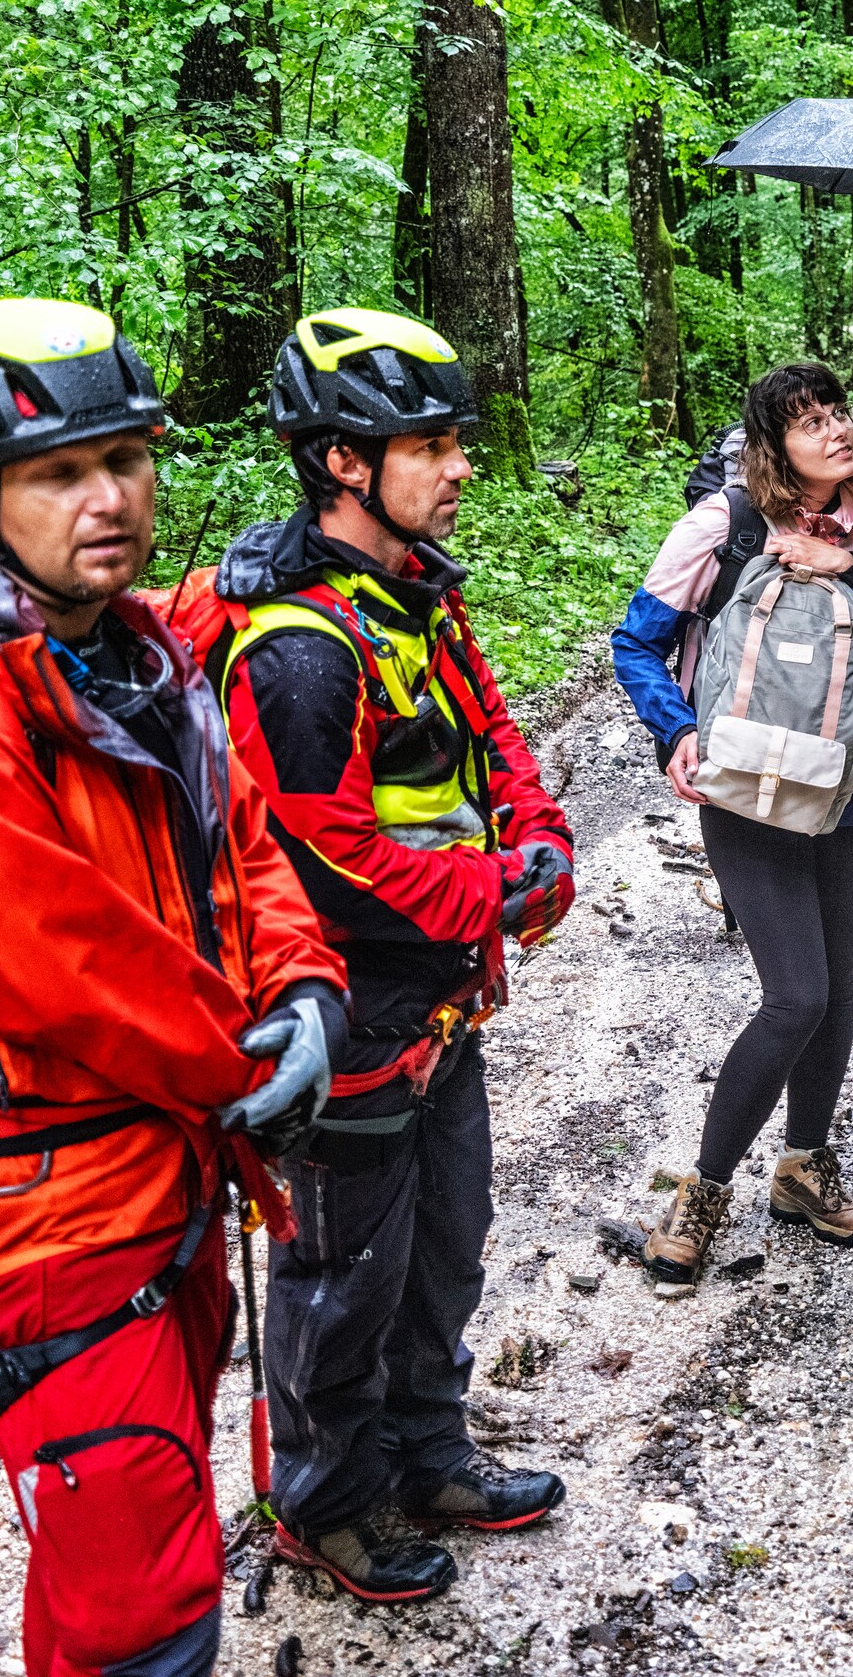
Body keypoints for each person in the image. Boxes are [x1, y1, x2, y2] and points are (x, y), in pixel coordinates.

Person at [193, 308, 575, 1603]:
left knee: (446, 1245)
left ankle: (429, 1454)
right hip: (347, 1021)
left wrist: (543, 841)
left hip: (443, 1005)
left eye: (459, 439)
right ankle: (327, 1502)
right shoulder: (302, 649)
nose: (463, 463)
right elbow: (321, 858)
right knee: (339, 1278)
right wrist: (494, 891)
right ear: (347, 461)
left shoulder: (415, 599)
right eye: (434, 441)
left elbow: (496, 742)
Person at [0, 298, 340, 1677]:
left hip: (175, 1174)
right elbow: (55, 945)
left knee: (153, 1525)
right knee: (133, 1605)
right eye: (58, 473)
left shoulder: (147, 659)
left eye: (127, 459)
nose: (110, 497)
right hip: (57, 1210)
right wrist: (239, 1057)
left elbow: (243, 844)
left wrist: (306, 985)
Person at [610, 362, 853, 1280]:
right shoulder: (728, 521)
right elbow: (637, 641)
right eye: (805, 419)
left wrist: (851, 568)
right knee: (798, 994)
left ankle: (805, 1166)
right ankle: (703, 1191)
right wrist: (676, 731)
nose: (831, 427)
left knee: (836, 985)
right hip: (747, 793)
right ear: (772, 444)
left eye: (837, 410)